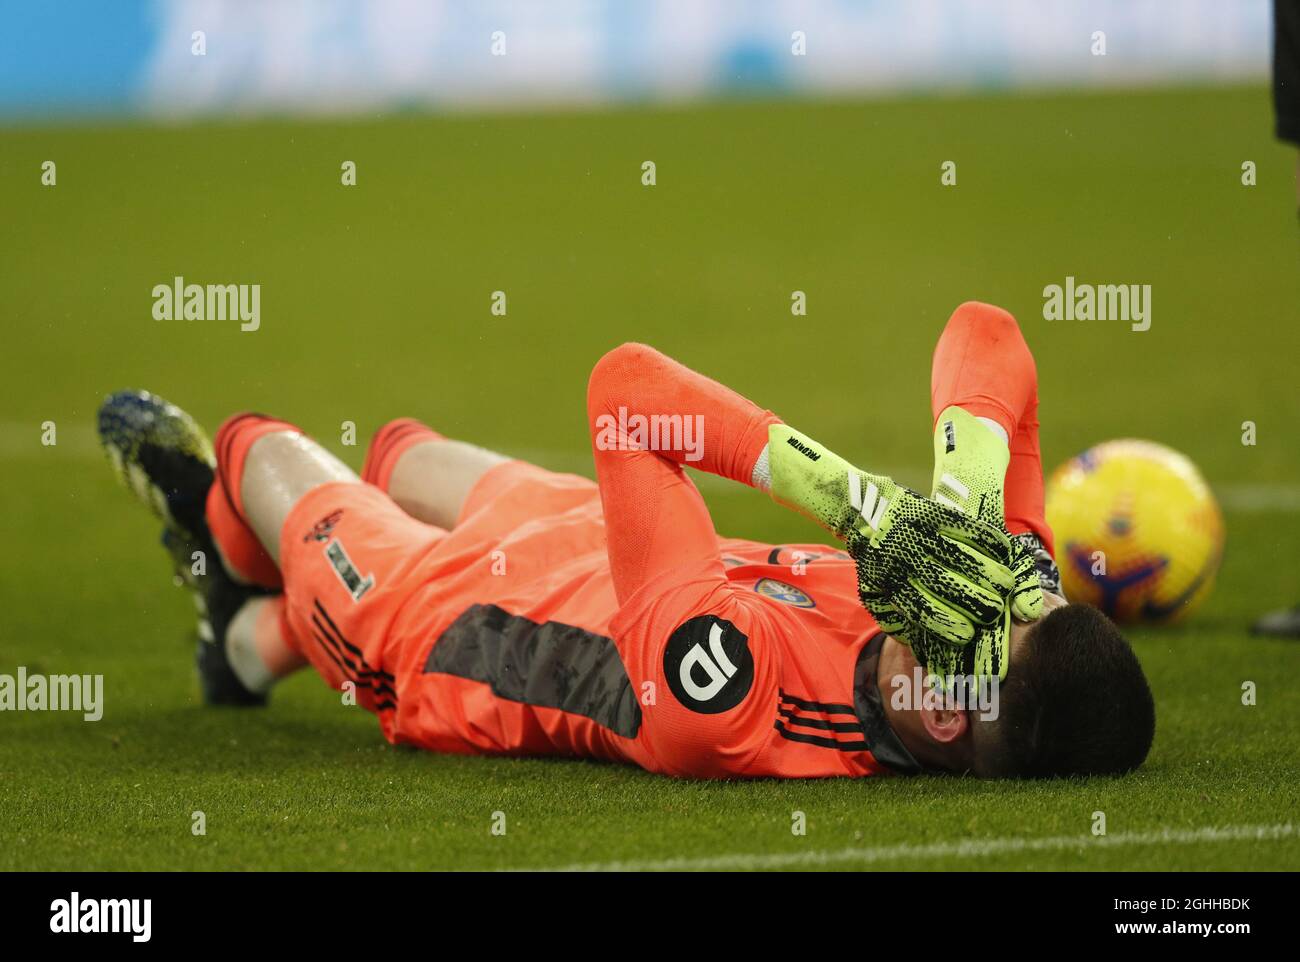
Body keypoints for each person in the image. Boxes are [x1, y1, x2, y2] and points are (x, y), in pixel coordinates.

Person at [99, 302, 1154, 779]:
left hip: (439, 625)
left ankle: (227, 566)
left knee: (259, 448)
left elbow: (627, 393)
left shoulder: (729, 702)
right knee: (397, 451)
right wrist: (967, 500)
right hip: (591, 538)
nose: (985, 595)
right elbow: (989, 332)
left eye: (993, 624)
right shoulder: (987, 603)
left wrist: (862, 507)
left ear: (951, 721)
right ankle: (244, 636)